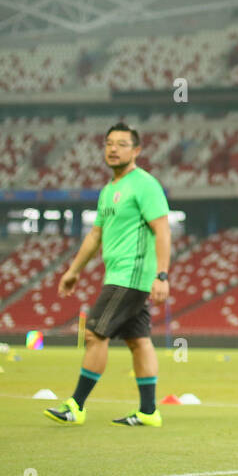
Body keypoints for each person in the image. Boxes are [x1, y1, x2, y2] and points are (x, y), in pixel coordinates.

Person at [44, 122, 172, 428]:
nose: (113, 149)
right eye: (108, 143)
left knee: (94, 333)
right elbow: (94, 235)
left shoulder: (144, 184)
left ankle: (76, 405)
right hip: (119, 274)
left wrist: (162, 275)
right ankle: (149, 411)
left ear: (137, 150)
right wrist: (73, 271)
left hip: (130, 275)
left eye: (121, 144)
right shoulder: (108, 191)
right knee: (138, 341)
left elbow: (163, 230)